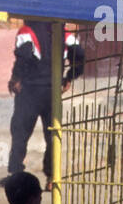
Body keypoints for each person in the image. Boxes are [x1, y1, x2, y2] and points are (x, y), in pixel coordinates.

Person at [7, 21, 82, 185]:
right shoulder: (64, 34)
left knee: (20, 133)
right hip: (53, 93)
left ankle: (16, 173)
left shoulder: (27, 31)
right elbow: (79, 54)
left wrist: (16, 78)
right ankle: (51, 177)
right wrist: (70, 76)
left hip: (29, 92)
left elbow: (24, 56)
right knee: (52, 135)